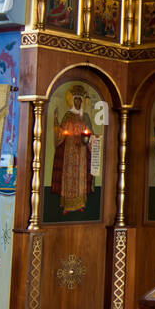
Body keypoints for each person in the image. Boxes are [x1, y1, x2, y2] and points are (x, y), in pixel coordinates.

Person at [51, 86, 94, 215]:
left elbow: (90, 133)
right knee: (69, 177)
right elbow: (60, 133)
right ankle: (66, 205)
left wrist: (88, 137)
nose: (77, 102)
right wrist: (56, 121)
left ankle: (81, 203)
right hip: (69, 152)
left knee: (80, 177)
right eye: (75, 100)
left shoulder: (85, 117)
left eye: (79, 100)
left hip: (81, 151)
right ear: (72, 101)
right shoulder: (68, 116)